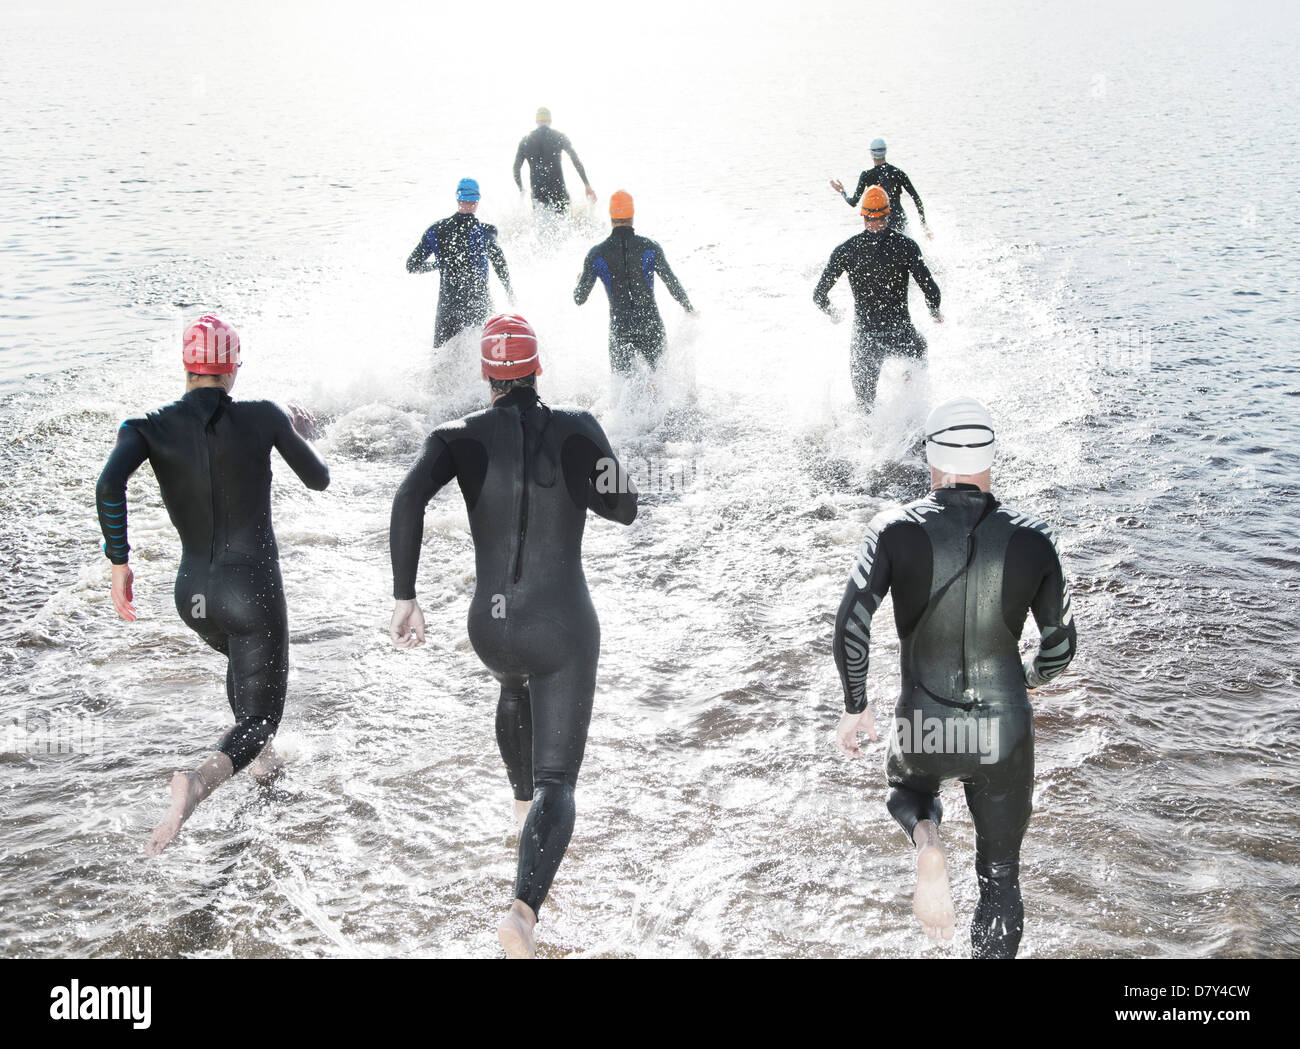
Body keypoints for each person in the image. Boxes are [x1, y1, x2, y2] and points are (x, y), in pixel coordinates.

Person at [388, 313, 638, 958]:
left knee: (513, 685)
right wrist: (583, 473)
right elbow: (625, 506)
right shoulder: (578, 427)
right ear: (536, 369)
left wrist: (406, 597)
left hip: (491, 626)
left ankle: (522, 815)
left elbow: (408, 499)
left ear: (486, 374)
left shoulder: (455, 435)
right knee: (561, 780)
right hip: (560, 625)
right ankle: (523, 911)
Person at [831, 397, 1077, 958]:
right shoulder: (1035, 539)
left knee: (908, 791)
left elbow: (851, 624)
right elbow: (1062, 647)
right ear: (991, 456)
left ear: (930, 457)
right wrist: (1028, 680)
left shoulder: (891, 528)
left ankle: (927, 841)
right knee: (1001, 878)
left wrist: (855, 705)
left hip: (925, 723)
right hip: (1003, 732)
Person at [95, 315, 330, 856]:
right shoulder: (265, 415)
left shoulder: (144, 427)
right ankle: (198, 783)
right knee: (262, 713)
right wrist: (295, 431)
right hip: (250, 589)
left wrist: (119, 563)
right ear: (233, 369)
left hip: (193, 595)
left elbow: (109, 484)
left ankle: (259, 759)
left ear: (187, 365)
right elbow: (318, 478)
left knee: (244, 666)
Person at [813, 185, 943, 407]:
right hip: (900, 333)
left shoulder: (846, 250)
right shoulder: (906, 246)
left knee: (865, 405)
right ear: (888, 213)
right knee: (920, 347)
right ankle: (910, 397)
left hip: (866, 338)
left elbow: (819, 295)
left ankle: (867, 425)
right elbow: (931, 289)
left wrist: (833, 313)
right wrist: (934, 310)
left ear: (863, 215)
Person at [574, 190, 695, 373]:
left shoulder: (597, 254)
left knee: (624, 385)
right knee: (659, 379)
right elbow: (671, 282)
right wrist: (688, 308)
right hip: (650, 324)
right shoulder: (650, 247)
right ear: (632, 215)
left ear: (611, 216)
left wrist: (580, 280)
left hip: (620, 329)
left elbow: (579, 298)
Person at [406, 178, 514, 347]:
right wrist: (509, 290)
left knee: (440, 357)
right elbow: (499, 262)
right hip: (478, 303)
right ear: (477, 200)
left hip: (447, 307)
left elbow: (412, 265)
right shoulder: (486, 231)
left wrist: (438, 265)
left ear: (457, 198)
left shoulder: (435, 230)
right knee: (483, 353)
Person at [830, 137, 932, 238]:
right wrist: (924, 224)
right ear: (885, 151)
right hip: (899, 219)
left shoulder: (866, 175)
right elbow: (916, 199)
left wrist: (842, 192)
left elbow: (853, 202)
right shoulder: (898, 173)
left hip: (878, 221)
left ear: (871, 153)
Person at [513, 107, 597, 213]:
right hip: (558, 189)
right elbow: (575, 159)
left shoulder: (526, 140)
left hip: (538, 192)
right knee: (563, 220)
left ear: (537, 121)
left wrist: (521, 189)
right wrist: (587, 184)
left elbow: (516, 168)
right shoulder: (559, 137)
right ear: (550, 121)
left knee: (541, 220)